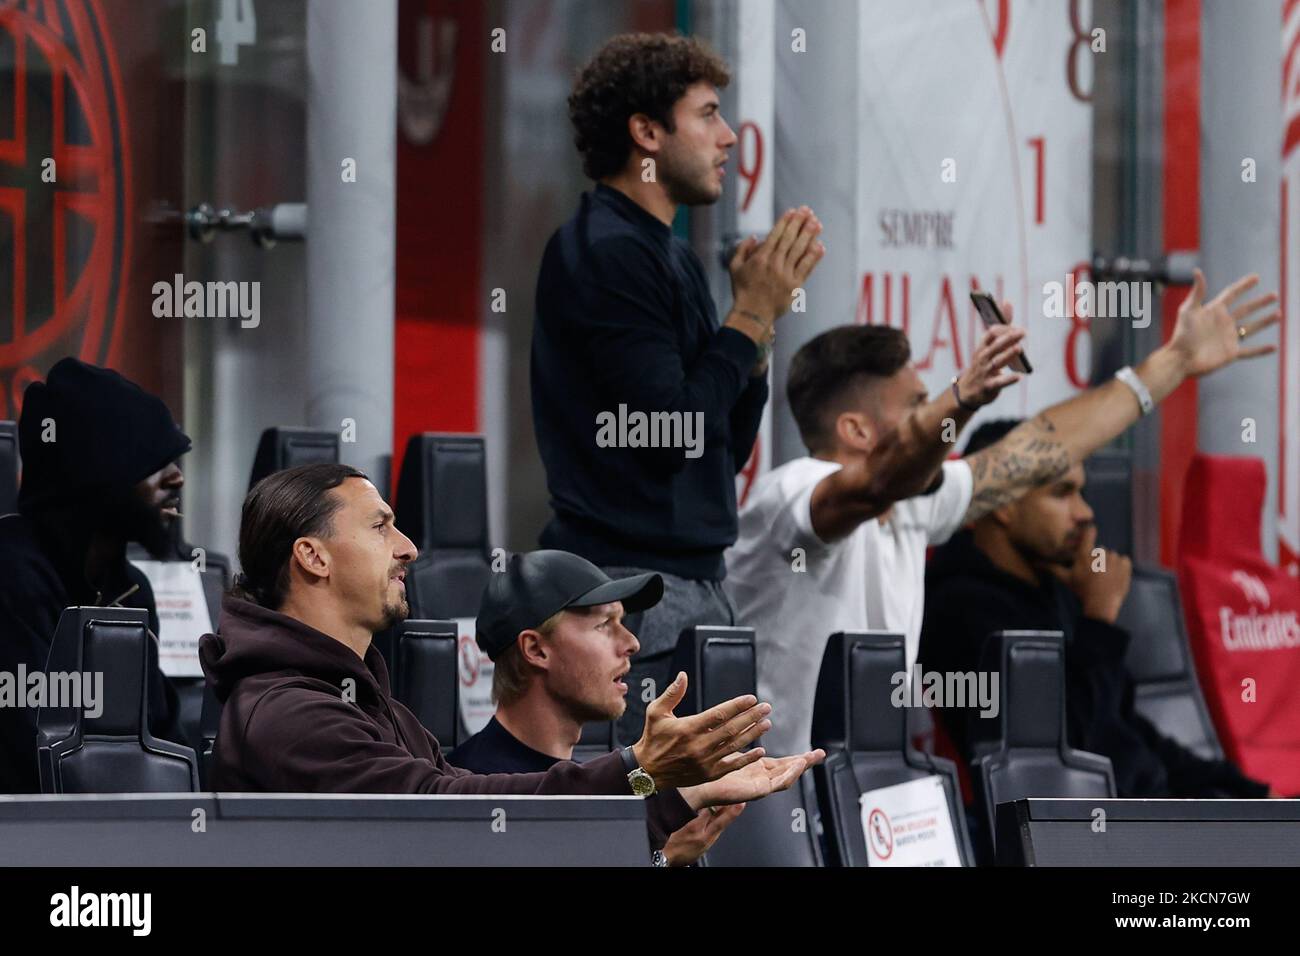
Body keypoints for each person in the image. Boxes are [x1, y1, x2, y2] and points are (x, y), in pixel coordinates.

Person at [725, 271, 1280, 754]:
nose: (936, 413)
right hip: (770, 802)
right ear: (855, 430)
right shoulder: (793, 494)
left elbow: (1043, 446)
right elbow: (873, 485)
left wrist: (1172, 362)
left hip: (871, 797)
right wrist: (961, 398)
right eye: (919, 404)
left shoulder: (916, 504)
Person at [200, 465, 818, 855]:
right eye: (380, 528)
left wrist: (671, 804)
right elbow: (445, 815)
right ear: (313, 557)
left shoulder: (377, 709)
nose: (409, 548)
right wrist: (641, 771)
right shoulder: (286, 712)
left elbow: (478, 822)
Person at [531, 32, 824, 744]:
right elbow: (671, 435)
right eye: (708, 114)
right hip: (638, 602)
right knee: (650, 833)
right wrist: (749, 316)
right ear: (647, 133)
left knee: (701, 838)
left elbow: (720, 449)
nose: (729, 137)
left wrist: (749, 346)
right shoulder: (611, 254)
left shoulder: (672, 256)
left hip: (691, 590)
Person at [919, 419, 1277, 799]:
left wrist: (1251, 794)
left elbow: (1127, 730)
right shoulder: (960, 610)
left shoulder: (1052, 589)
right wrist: (1099, 616)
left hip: (1149, 814)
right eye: (1063, 494)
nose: (1085, 513)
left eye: (1083, 493)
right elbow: (1061, 755)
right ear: (1002, 504)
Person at [449, 550, 822, 864]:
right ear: (536, 649)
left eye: (623, 623)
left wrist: (683, 795)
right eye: (604, 625)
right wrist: (661, 856)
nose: (631, 643)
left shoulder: (592, 775)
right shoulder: (473, 787)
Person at [0, 358, 188, 792]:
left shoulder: (132, 589)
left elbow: (160, 736)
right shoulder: (12, 578)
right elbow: (33, 753)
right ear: (92, 473)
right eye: (153, 460)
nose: (177, 477)